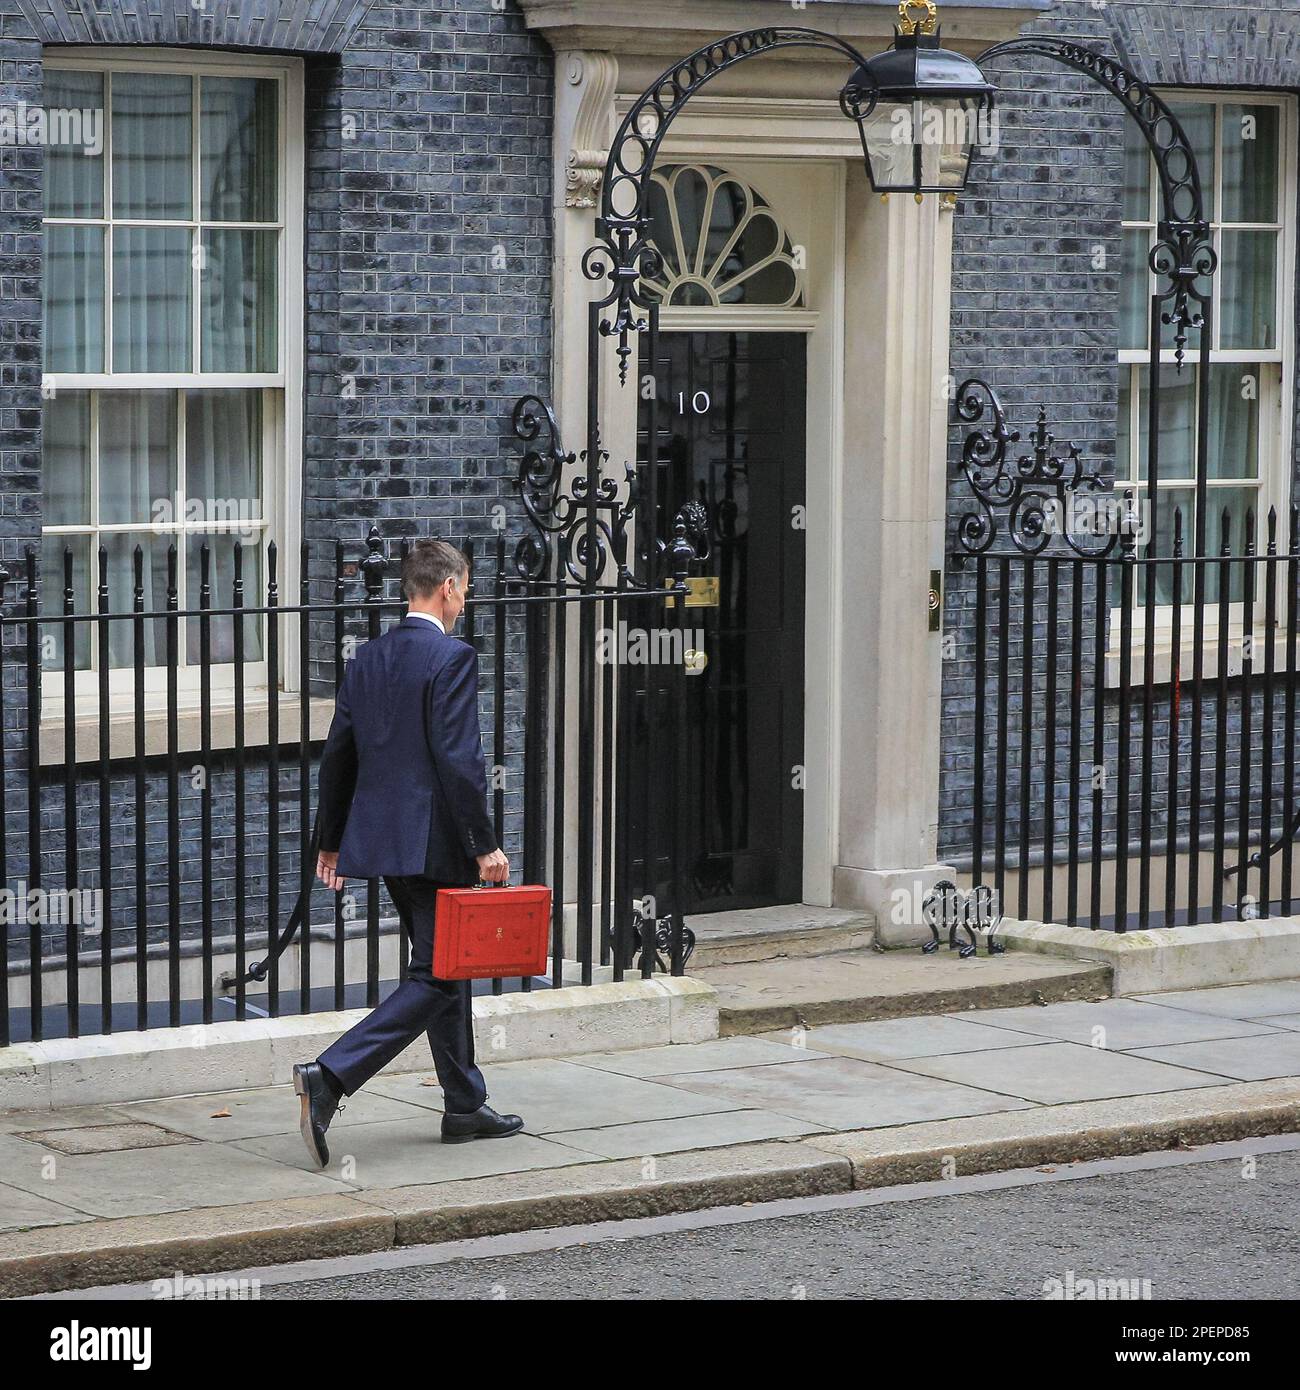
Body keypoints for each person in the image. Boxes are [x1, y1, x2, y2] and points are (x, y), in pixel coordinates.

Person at [292, 538, 524, 1167]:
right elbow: (458, 760)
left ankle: (463, 1102)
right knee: (440, 974)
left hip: (384, 842)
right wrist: (486, 845)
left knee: (445, 961)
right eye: (467, 586)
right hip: (436, 843)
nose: (467, 598)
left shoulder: (368, 658)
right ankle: (331, 1076)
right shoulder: (451, 657)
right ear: (448, 587)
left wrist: (332, 841)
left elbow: (340, 753)